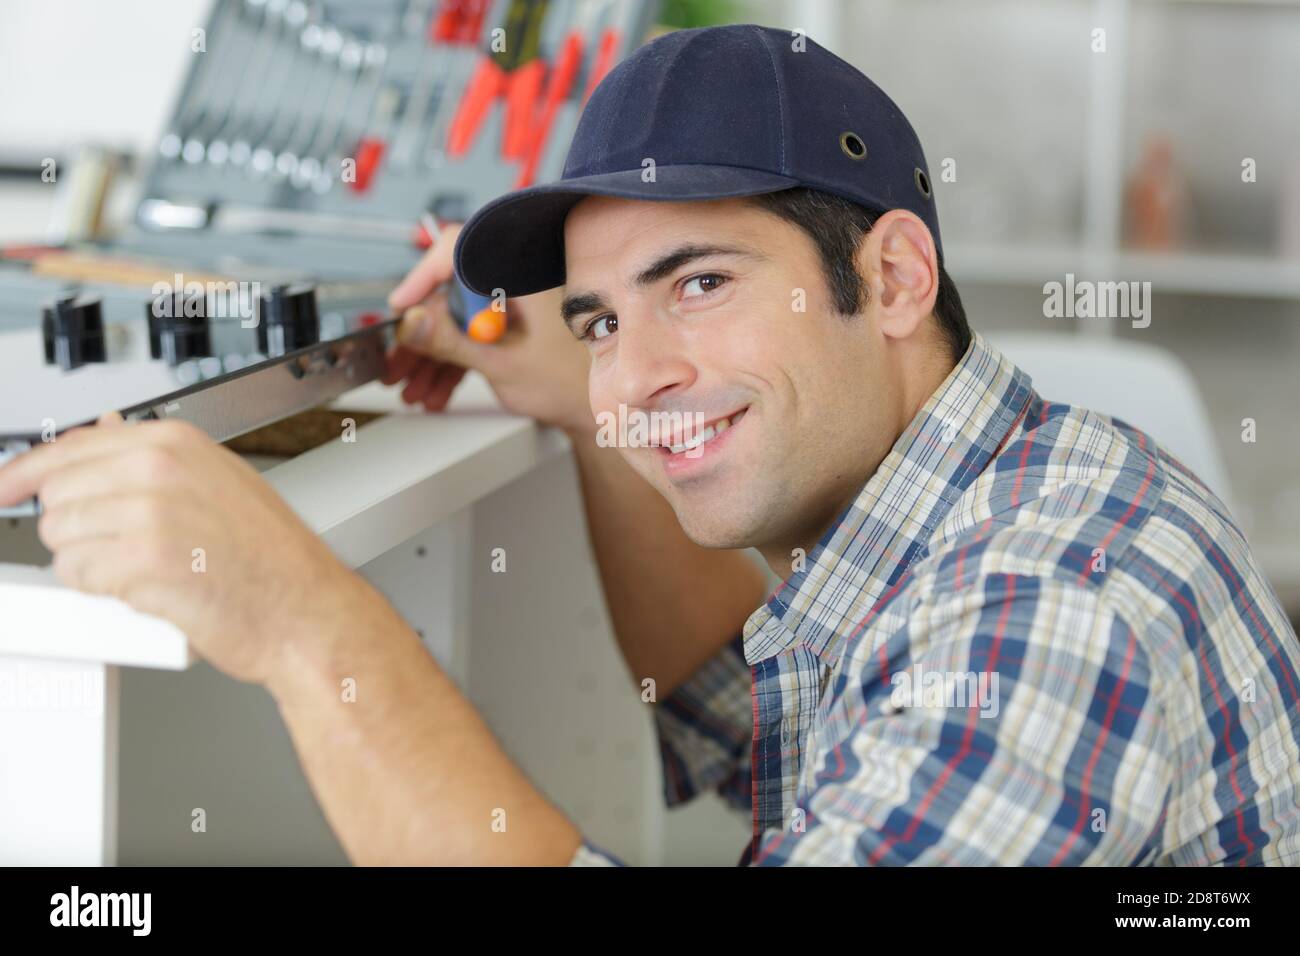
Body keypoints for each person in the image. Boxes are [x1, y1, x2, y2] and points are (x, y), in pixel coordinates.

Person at [2, 25, 1297, 866]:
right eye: (600, 318)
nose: (638, 369)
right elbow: (740, 713)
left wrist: (305, 627)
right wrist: (581, 404)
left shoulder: (1040, 618)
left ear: (895, 276)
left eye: (701, 283)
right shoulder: (994, 496)